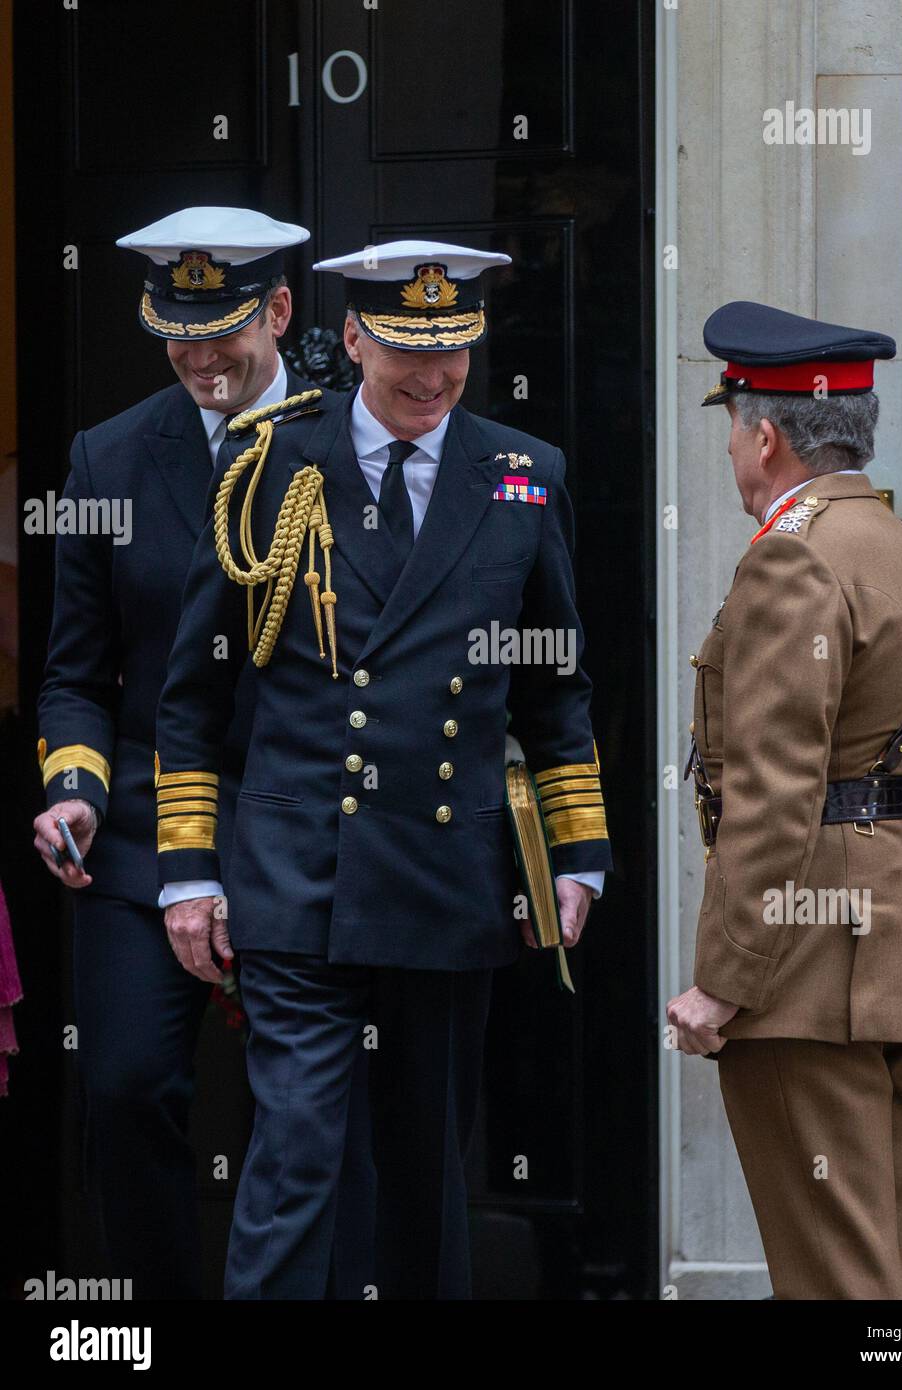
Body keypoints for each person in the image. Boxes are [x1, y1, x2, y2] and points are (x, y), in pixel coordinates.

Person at [155, 239, 612, 1299]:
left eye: (452, 354)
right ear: (354, 339)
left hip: (445, 876)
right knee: (294, 1156)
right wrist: (188, 867)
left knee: (423, 1167)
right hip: (296, 872)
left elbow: (553, 685)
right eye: (408, 354)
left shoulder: (521, 475)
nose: (432, 379)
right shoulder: (265, 462)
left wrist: (575, 856)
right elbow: (194, 691)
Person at [34, 206, 373, 1298]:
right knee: (125, 1086)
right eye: (176, 330)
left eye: (221, 328)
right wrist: (75, 788)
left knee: (325, 1105)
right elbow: (75, 673)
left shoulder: (348, 444)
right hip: (140, 828)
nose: (198, 355)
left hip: (308, 823)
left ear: (277, 310)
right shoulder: (108, 457)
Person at [667, 301, 902, 1300]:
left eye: (732, 425)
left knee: (837, 1283)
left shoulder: (793, 555)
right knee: (889, 1277)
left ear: (762, 435)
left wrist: (724, 976)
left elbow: (773, 792)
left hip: (811, 976)